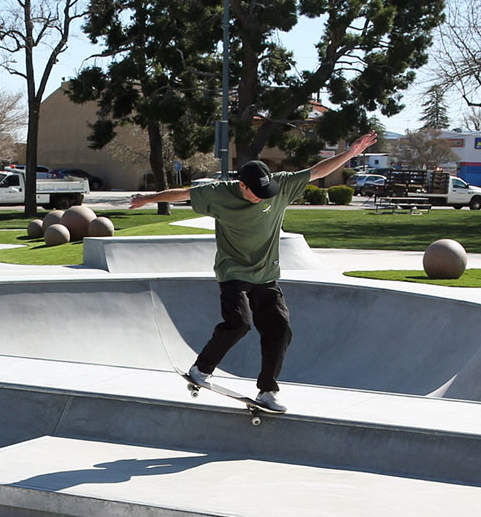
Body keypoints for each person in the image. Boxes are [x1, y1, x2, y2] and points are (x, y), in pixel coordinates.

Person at [128, 131, 378, 412]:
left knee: (280, 329)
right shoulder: (218, 193)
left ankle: (267, 391)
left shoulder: (281, 186)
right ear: (242, 185)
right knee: (239, 323)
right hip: (233, 272)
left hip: (266, 275)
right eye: (255, 194)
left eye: (265, 193)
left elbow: (316, 172)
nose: (261, 198)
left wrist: (349, 154)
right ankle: (201, 369)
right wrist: (147, 198)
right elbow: (184, 193)